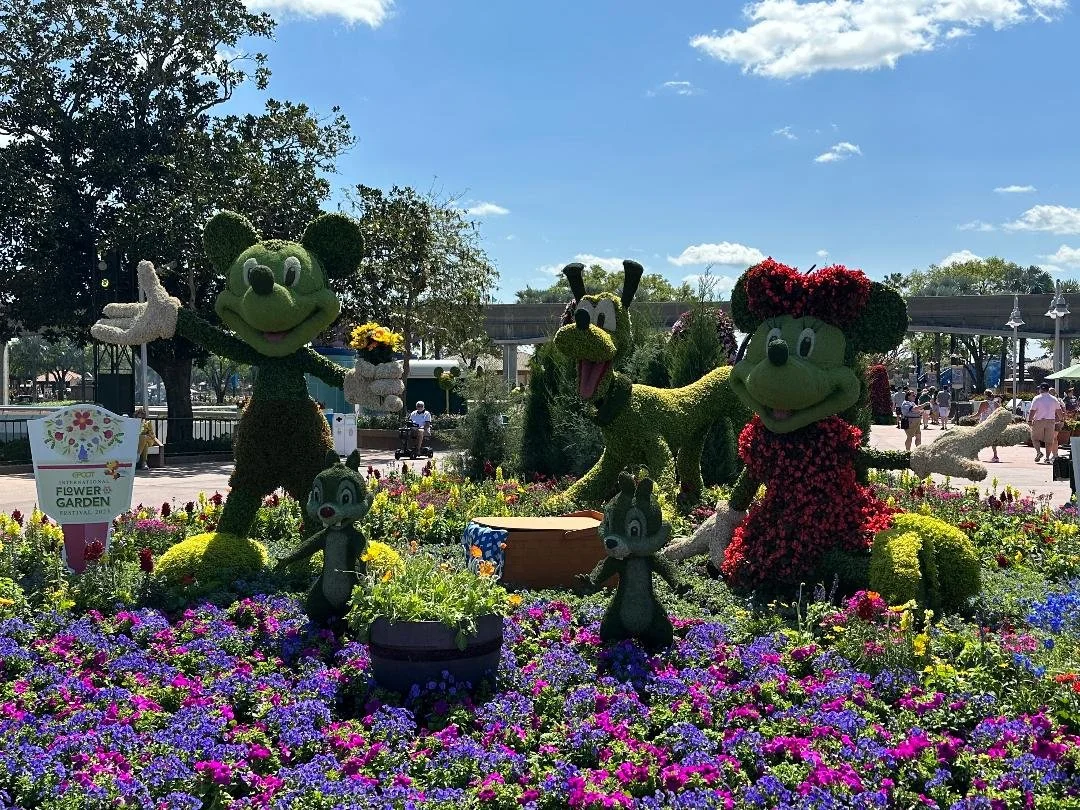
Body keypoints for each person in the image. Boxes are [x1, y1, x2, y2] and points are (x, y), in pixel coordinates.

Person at [1028, 382, 1064, 464]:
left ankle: (1038, 452)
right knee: (1049, 441)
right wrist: (1062, 420)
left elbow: (1032, 411)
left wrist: (1029, 420)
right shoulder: (1054, 399)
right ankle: (1047, 458)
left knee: (1035, 438)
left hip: (1039, 421)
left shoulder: (1037, 398)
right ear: (1048, 390)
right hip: (1050, 421)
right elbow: (1059, 411)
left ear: (1041, 389)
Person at [976, 388, 1002, 463]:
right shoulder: (996, 404)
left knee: (978, 439)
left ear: (985, 395)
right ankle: (995, 455)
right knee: (993, 440)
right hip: (992, 423)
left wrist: (970, 417)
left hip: (984, 423)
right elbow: (1000, 413)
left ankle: (975, 455)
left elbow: (978, 414)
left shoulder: (983, 403)